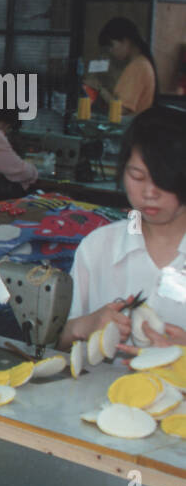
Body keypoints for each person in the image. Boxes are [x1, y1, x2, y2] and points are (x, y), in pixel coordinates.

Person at [60, 108, 186, 350]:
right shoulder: (98, 247)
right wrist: (83, 326)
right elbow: (54, 344)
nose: (150, 193)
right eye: (137, 176)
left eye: (164, 181)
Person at [84, 17, 157, 116]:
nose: (111, 51)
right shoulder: (140, 63)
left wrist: (100, 88)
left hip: (131, 128)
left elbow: (122, 110)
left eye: (111, 45)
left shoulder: (138, 67)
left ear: (126, 41)